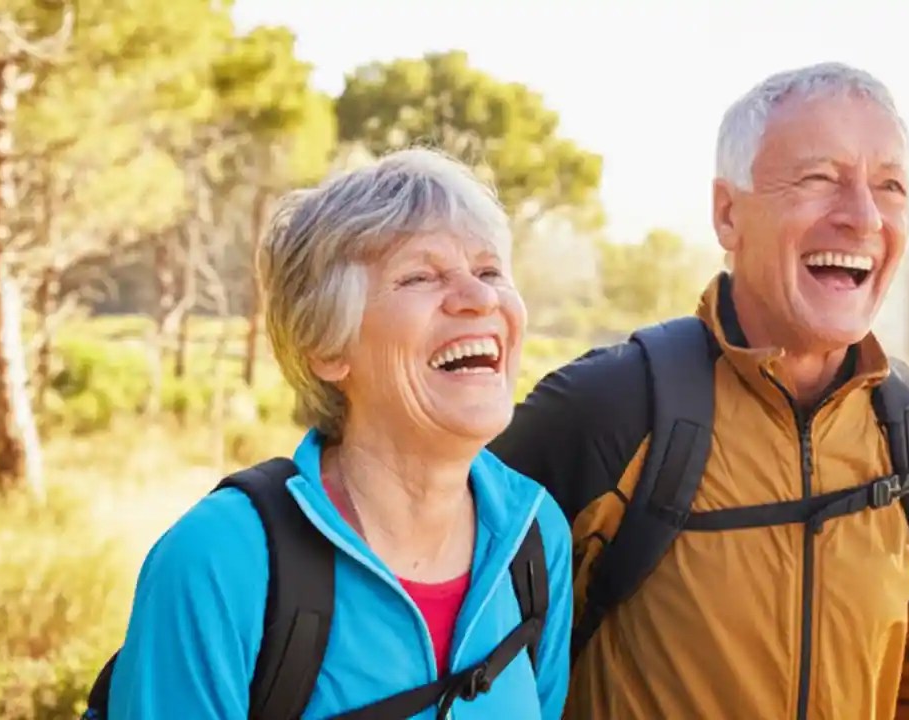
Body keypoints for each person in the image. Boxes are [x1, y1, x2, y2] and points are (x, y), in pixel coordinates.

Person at [489, 62, 909, 719]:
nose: (864, 217)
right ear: (728, 214)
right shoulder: (605, 411)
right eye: (820, 178)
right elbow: (473, 656)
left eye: (890, 185)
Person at [101, 148, 572, 719]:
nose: (480, 298)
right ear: (327, 345)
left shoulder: (534, 537)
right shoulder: (219, 560)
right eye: (420, 275)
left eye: (490, 271)